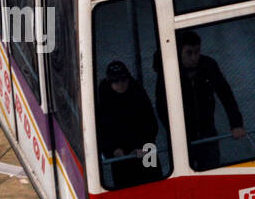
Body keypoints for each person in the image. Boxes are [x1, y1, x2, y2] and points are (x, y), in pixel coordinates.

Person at [165, 29, 245, 170]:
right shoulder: (170, 71)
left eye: (197, 52)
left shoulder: (208, 65)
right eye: (189, 53)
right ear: (179, 52)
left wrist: (236, 123)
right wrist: (175, 133)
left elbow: (225, 94)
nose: (194, 57)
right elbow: (162, 105)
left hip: (207, 131)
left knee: (211, 172)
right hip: (182, 138)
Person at [96, 60, 160, 188]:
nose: (120, 84)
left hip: (144, 151)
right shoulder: (104, 100)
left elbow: (151, 123)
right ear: (110, 82)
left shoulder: (138, 93)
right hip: (121, 157)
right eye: (116, 81)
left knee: (154, 184)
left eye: (123, 79)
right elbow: (101, 130)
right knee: (125, 189)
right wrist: (113, 150)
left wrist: (146, 146)